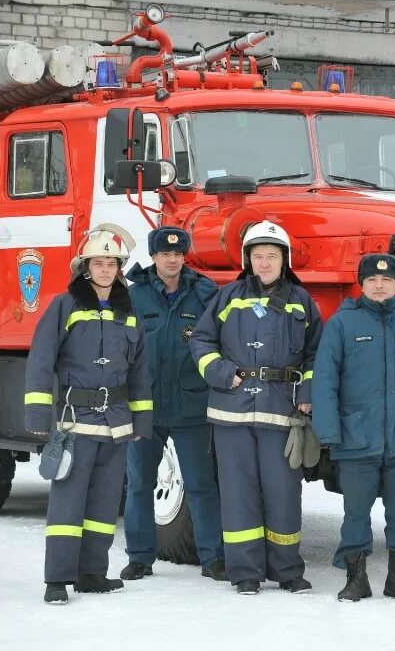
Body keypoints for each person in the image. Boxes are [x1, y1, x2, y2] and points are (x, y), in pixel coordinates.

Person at [189, 220, 322, 595]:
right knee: (238, 492)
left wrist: (307, 391)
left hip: (282, 412)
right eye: (258, 256)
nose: (264, 263)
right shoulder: (228, 296)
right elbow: (201, 340)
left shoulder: (301, 300)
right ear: (248, 260)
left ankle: (287, 570)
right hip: (231, 413)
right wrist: (219, 372)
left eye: (272, 256)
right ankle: (245, 572)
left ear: (285, 260)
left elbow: (316, 352)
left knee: (283, 491)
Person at [25, 223, 153, 605]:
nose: (105, 270)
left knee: (103, 502)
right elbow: (41, 358)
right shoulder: (65, 304)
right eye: (98, 263)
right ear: (85, 266)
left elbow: (141, 372)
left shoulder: (129, 312)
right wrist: (37, 416)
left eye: (111, 264)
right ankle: (57, 579)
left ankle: (92, 573)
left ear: (118, 268)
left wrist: (141, 420)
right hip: (74, 419)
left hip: (116, 423)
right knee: (68, 501)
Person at [311, 254, 395, 603]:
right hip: (357, 436)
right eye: (372, 280)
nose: (379, 285)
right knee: (356, 513)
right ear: (362, 283)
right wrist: (328, 432)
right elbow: (325, 380)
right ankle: (356, 577)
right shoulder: (343, 324)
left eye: (386, 280)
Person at [121, 226, 227, 582]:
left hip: (191, 406)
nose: (172, 260)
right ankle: (139, 557)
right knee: (139, 484)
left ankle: (213, 558)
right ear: (153, 257)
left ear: (185, 256)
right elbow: (121, 348)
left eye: (178, 254)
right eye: (165, 254)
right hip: (145, 408)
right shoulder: (134, 296)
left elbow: (219, 342)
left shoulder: (205, 294)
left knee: (201, 485)